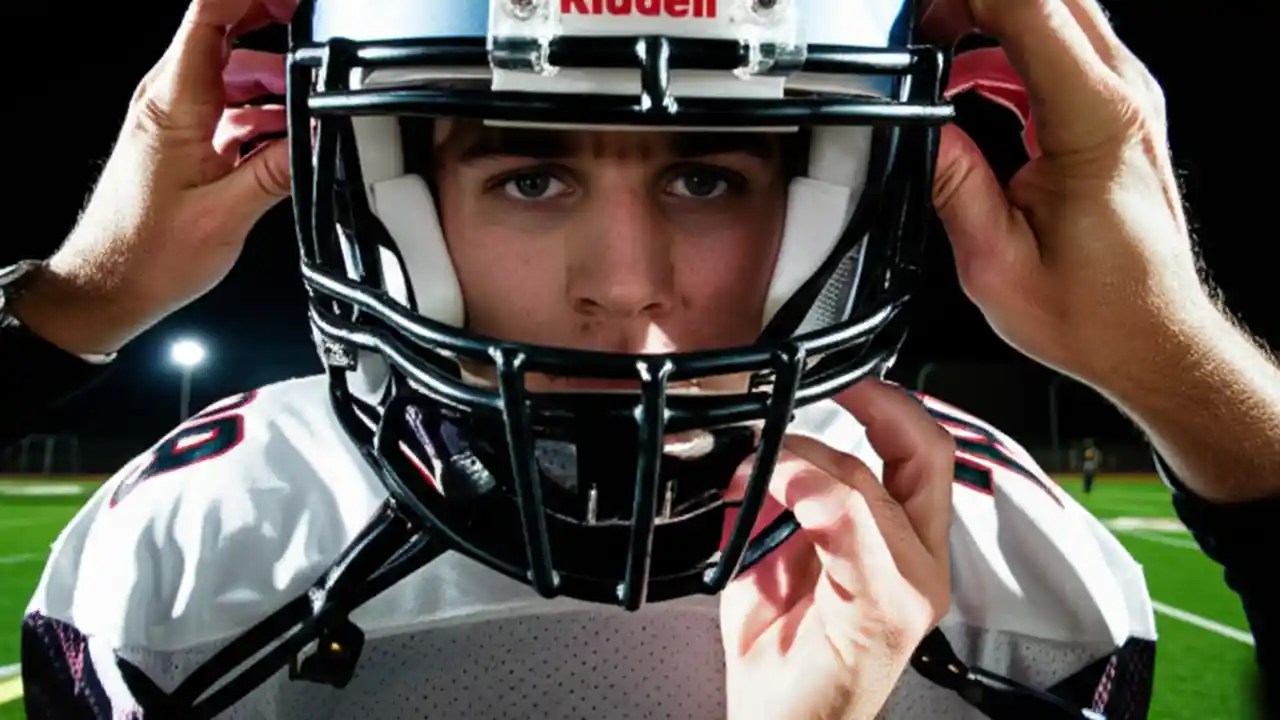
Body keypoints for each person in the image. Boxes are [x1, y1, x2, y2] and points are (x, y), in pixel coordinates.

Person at [8, 1, 1273, 719]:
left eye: (709, 175)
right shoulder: (194, 554)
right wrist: (76, 295)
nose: (626, 280)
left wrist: (1167, 358)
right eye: (532, 171)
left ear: (832, 204)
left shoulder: (1019, 583)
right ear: (388, 199)